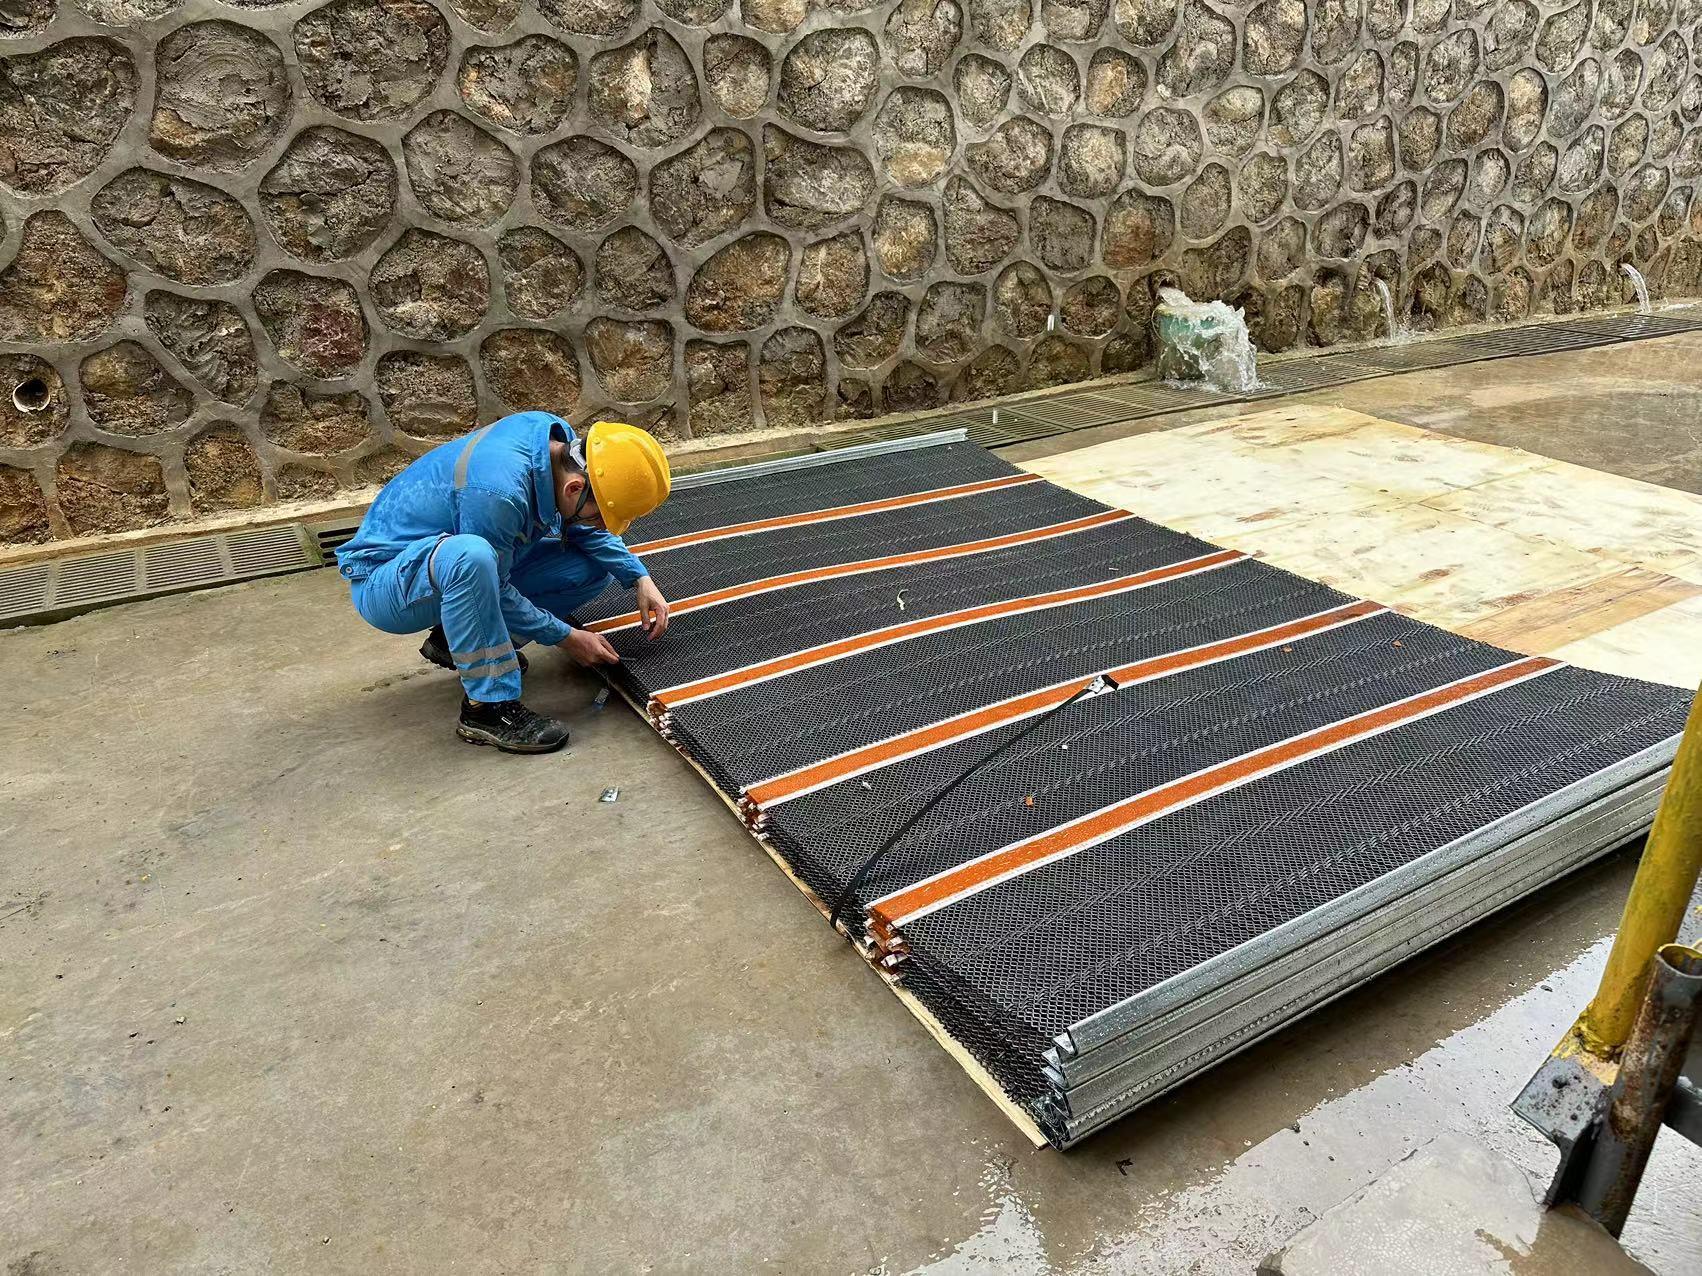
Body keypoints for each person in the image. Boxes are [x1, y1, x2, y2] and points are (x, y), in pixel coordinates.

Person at [335, 411, 672, 754]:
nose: (601, 525)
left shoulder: (560, 449)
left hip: (445, 567)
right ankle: (487, 708)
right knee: (471, 558)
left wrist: (639, 577)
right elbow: (493, 585)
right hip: (385, 583)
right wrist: (566, 637)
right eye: (601, 516)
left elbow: (581, 528)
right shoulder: (499, 493)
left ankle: (451, 642)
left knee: (591, 567)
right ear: (574, 488)